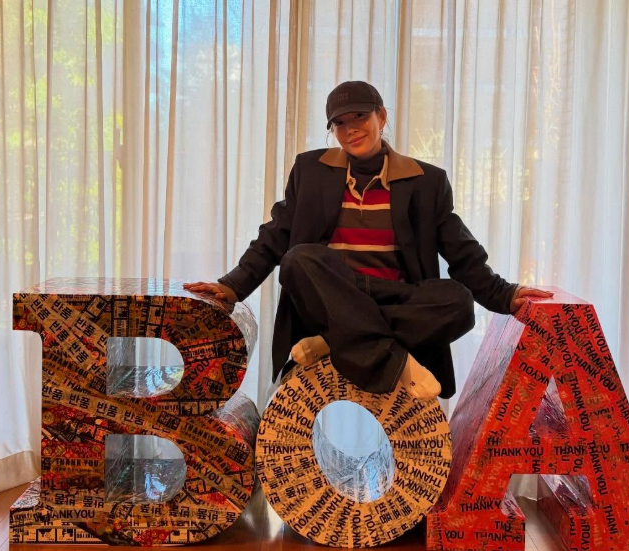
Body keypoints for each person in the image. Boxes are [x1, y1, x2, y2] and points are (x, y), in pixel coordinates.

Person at [184, 81, 552, 400]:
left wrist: (505, 294)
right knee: (298, 259)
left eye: (359, 117)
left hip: (393, 295)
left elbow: (462, 252)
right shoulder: (310, 171)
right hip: (331, 295)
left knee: (458, 302)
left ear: (382, 116)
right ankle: (393, 360)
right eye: (339, 123)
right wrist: (231, 286)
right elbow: (275, 234)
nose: (350, 129)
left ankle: (334, 339)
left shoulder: (427, 182)